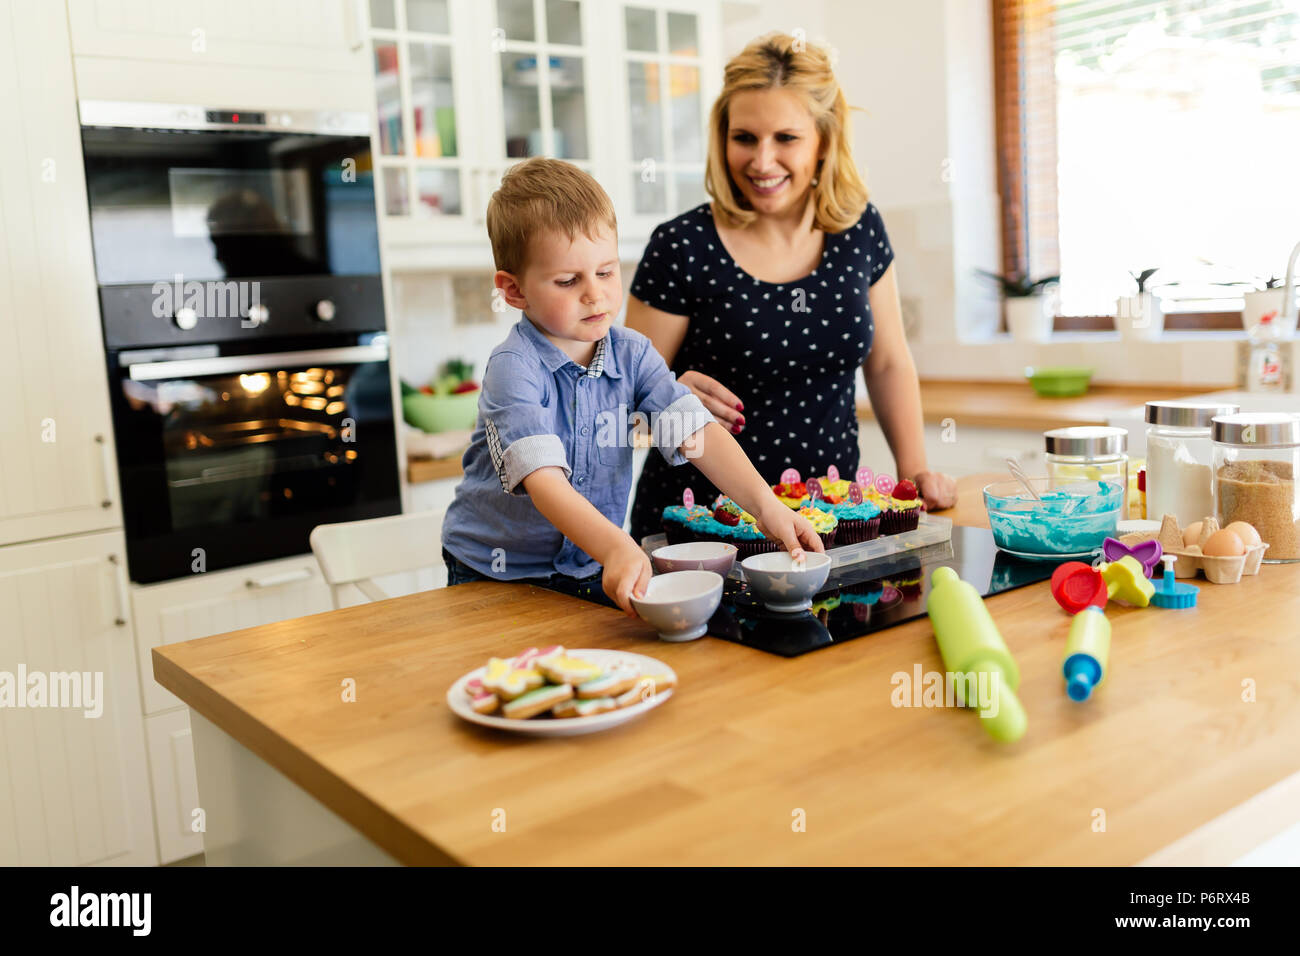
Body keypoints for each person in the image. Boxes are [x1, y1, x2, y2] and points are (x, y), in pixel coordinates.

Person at [440, 158, 823, 614]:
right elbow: (545, 484)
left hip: (586, 566)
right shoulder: (513, 368)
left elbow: (695, 432)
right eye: (568, 281)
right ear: (514, 290)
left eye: (605, 272)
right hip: (491, 572)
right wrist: (617, 546)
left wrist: (766, 506)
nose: (595, 294)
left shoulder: (635, 354)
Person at [626, 33, 957, 544]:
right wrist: (661, 401)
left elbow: (889, 362)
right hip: (701, 531)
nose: (761, 161)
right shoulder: (681, 246)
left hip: (834, 522)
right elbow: (620, 402)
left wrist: (914, 473)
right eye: (744, 138)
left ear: (823, 140)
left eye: (786, 138)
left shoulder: (859, 229)